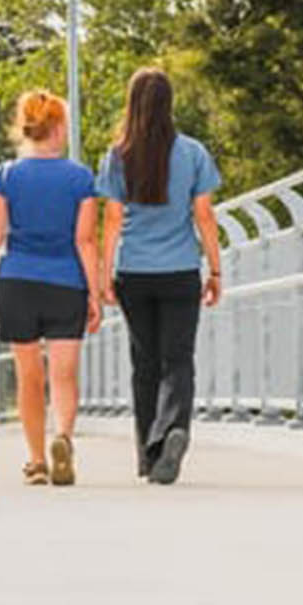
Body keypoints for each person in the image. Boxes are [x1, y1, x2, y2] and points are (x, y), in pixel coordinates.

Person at [95, 66, 223, 485]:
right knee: (178, 359)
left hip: (134, 272)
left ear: (132, 104)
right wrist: (215, 269)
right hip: (180, 271)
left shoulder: (117, 156)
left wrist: (104, 275)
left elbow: (112, 219)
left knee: (145, 363)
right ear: (170, 104)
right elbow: (204, 215)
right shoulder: (193, 153)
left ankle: (149, 456)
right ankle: (173, 431)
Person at [0, 90, 105, 486]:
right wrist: (95, 293)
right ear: (58, 128)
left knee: (29, 376)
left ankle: (36, 461)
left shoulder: (6, 175)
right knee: (64, 375)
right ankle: (63, 438)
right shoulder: (80, 178)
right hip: (66, 282)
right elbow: (86, 241)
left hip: (18, 282)